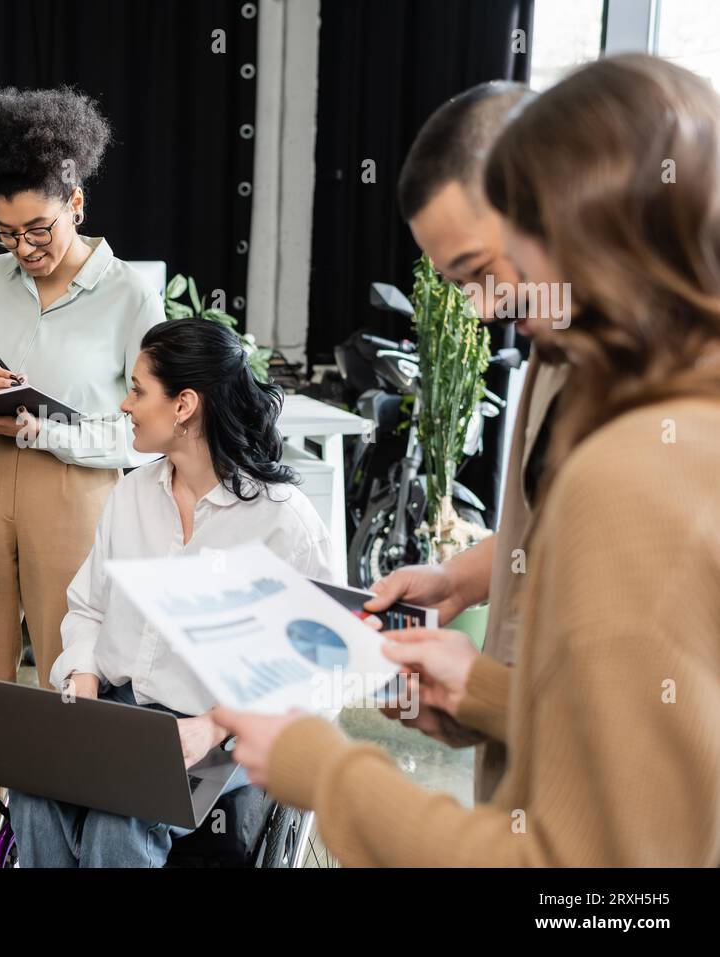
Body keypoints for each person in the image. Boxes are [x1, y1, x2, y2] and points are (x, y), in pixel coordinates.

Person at [214, 55, 720, 866]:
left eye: (512, 247)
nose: (493, 308)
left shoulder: (634, 468)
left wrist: (328, 772)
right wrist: (485, 682)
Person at [0, 85, 165, 864]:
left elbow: (144, 429)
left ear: (77, 199)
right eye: (7, 233)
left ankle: (66, 849)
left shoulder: (132, 290)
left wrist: (49, 427)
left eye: (39, 228)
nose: (24, 249)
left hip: (78, 491)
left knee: (75, 679)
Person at [7, 319, 332, 867]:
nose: (125, 404)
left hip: (224, 742)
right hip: (122, 714)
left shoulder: (282, 521)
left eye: (137, 389)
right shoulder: (132, 494)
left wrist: (214, 724)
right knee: (35, 791)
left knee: (121, 814)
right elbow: (88, 607)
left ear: (184, 405)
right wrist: (83, 682)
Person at [371, 79, 566, 802]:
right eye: (463, 285)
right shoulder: (553, 351)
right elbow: (546, 526)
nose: (485, 311)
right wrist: (457, 581)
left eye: (483, 272)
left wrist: (325, 773)